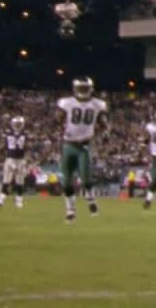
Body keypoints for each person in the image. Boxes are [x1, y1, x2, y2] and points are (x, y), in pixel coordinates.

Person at [55, 76, 108, 222]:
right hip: (68, 145)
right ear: (75, 89)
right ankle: (70, 210)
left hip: (84, 146)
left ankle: (91, 199)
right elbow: (57, 119)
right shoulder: (67, 103)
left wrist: (105, 132)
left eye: (86, 88)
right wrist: (59, 123)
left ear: (91, 89)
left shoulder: (97, 104)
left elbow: (104, 123)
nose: (83, 91)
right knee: (66, 181)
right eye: (81, 88)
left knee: (86, 179)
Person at [0, 116, 29, 209]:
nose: (18, 125)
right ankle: (1, 199)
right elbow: (3, 146)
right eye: (17, 124)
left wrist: (27, 160)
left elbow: (27, 148)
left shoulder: (25, 135)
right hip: (10, 159)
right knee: (6, 180)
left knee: (20, 181)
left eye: (20, 124)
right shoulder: (8, 134)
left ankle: (19, 201)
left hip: (21, 159)